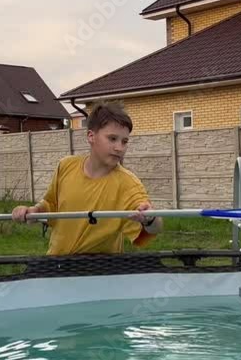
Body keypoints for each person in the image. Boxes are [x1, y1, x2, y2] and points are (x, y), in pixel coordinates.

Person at [11, 102, 163, 255]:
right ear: (91, 136)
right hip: (56, 265)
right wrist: (33, 211)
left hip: (100, 270)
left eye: (124, 141)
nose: (119, 148)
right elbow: (51, 204)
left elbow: (155, 227)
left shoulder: (129, 184)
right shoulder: (65, 166)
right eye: (112, 139)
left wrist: (150, 219)